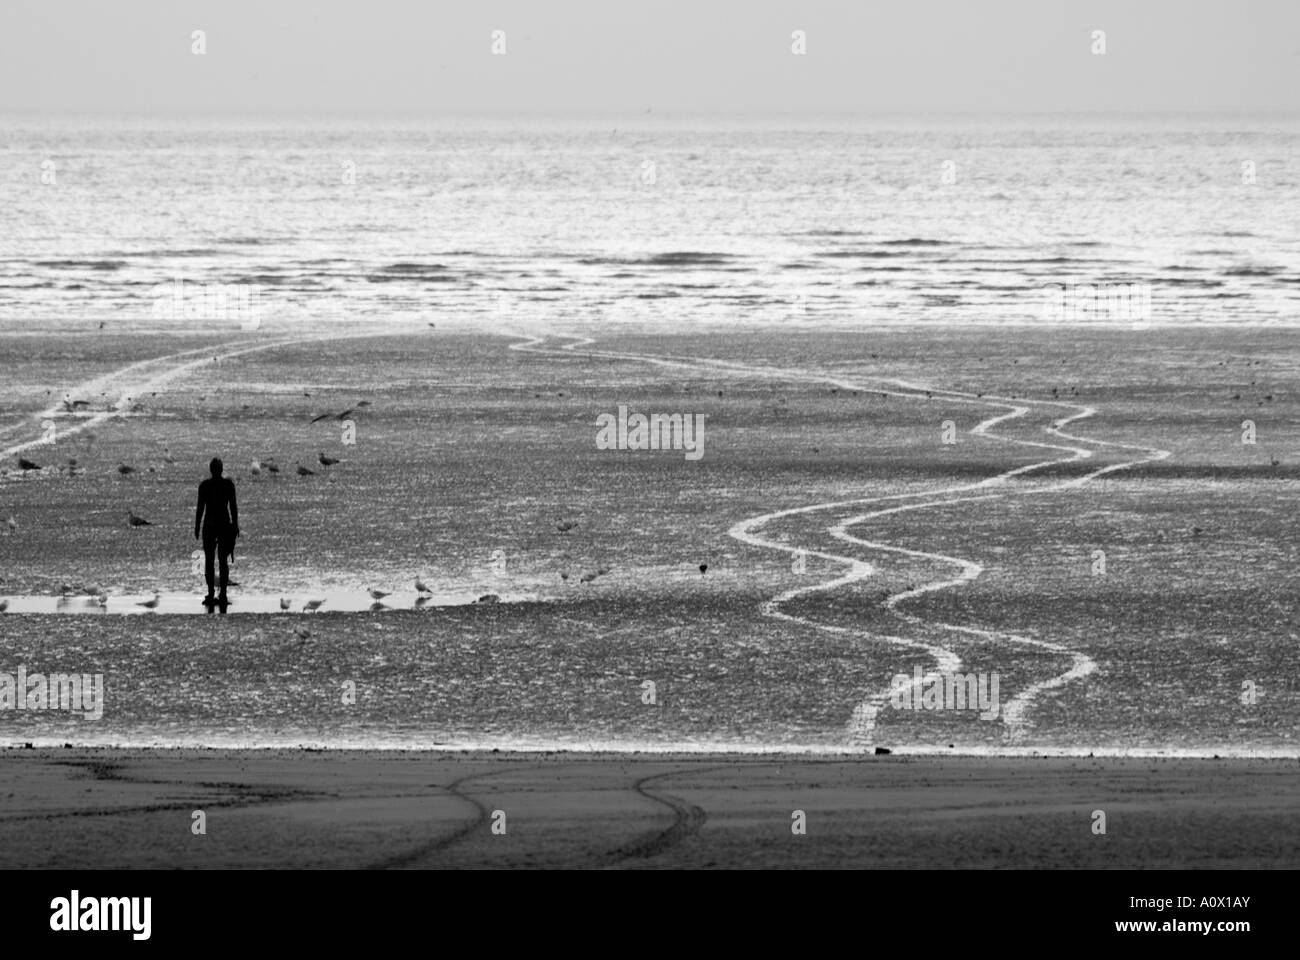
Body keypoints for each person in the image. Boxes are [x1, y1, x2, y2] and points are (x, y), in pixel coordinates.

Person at [195, 457, 239, 604]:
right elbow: (233, 507)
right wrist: (235, 524)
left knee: (209, 560)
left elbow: (200, 508)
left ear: (210, 469)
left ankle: (211, 593)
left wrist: (197, 525)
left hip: (209, 525)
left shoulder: (205, 486)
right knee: (222, 561)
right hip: (224, 524)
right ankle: (223, 594)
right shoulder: (228, 485)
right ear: (221, 469)